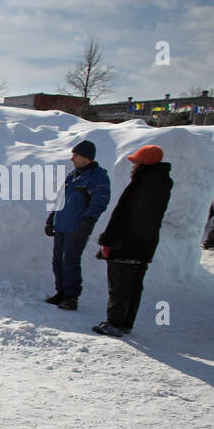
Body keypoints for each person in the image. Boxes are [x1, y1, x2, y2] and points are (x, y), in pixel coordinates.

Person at [90, 144, 172, 337]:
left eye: (136, 162)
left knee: (119, 286)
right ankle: (126, 323)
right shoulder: (162, 183)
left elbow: (122, 216)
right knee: (135, 286)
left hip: (126, 244)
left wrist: (108, 240)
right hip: (145, 245)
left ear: (143, 164)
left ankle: (114, 323)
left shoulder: (140, 184)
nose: (133, 165)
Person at [44, 139, 110, 311]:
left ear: (85, 157)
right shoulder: (73, 175)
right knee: (57, 261)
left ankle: (71, 296)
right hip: (61, 225)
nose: (72, 159)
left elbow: (100, 201)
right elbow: (61, 198)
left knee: (70, 262)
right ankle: (61, 292)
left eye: (75, 155)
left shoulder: (97, 176)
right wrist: (52, 218)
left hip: (76, 227)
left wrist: (87, 223)